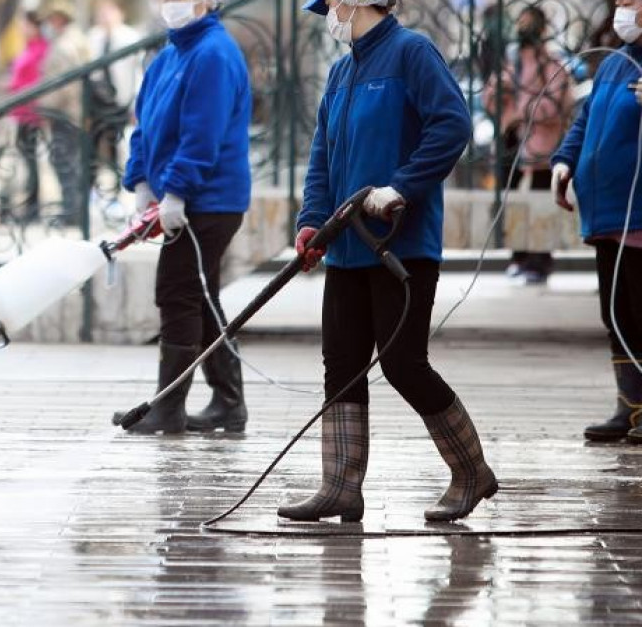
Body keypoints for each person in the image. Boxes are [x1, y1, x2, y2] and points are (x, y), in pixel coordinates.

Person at [281, 0, 497, 522]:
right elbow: (321, 156)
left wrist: (399, 187)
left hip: (400, 244)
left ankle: (471, 471)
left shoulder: (412, 54)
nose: (327, 11)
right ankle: (340, 485)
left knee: (403, 364)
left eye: (331, 3)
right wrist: (312, 220)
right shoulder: (341, 71)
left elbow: (450, 127)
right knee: (343, 365)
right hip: (347, 245)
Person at [115, 0, 252, 435]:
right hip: (188, 200)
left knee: (176, 291)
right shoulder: (170, 55)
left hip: (210, 201)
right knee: (200, 297)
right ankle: (229, 404)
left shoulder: (213, 53)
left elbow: (202, 135)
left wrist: (176, 191)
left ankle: (168, 408)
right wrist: (140, 181)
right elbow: (143, 125)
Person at [554, 0, 642, 444]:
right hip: (606, 211)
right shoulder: (613, 64)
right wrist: (564, 160)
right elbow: (585, 119)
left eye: (632, 1)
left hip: (639, 211)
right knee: (617, 312)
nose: (622, 9)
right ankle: (630, 405)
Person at [482, 5, 573, 284]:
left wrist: (524, 109)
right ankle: (518, 256)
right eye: (521, 23)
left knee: (540, 199)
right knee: (511, 200)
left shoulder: (552, 64)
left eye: (530, 24)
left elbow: (559, 105)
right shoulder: (513, 62)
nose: (524, 29)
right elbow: (491, 99)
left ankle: (540, 259)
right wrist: (501, 92)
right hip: (514, 143)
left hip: (543, 148)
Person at [38, 0, 91, 225]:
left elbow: (64, 86)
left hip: (65, 114)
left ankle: (73, 212)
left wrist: (44, 105)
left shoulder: (65, 45)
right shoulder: (75, 40)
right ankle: (74, 211)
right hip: (73, 113)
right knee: (71, 162)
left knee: (65, 163)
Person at [87, 0, 144, 184]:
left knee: (121, 144)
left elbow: (138, 71)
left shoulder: (130, 37)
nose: (105, 16)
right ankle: (97, 186)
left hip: (122, 99)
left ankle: (122, 184)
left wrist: (136, 103)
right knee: (95, 143)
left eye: (109, 11)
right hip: (99, 99)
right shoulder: (94, 36)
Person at [8, 10, 50, 222]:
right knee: (27, 160)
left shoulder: (40, 49)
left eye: (24, 25)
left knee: (31, 161)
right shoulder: (28, 48)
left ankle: (33, 208)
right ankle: (29, 206)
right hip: (20, 113)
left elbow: (35, 83)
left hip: (30, 114)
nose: (21, 29)